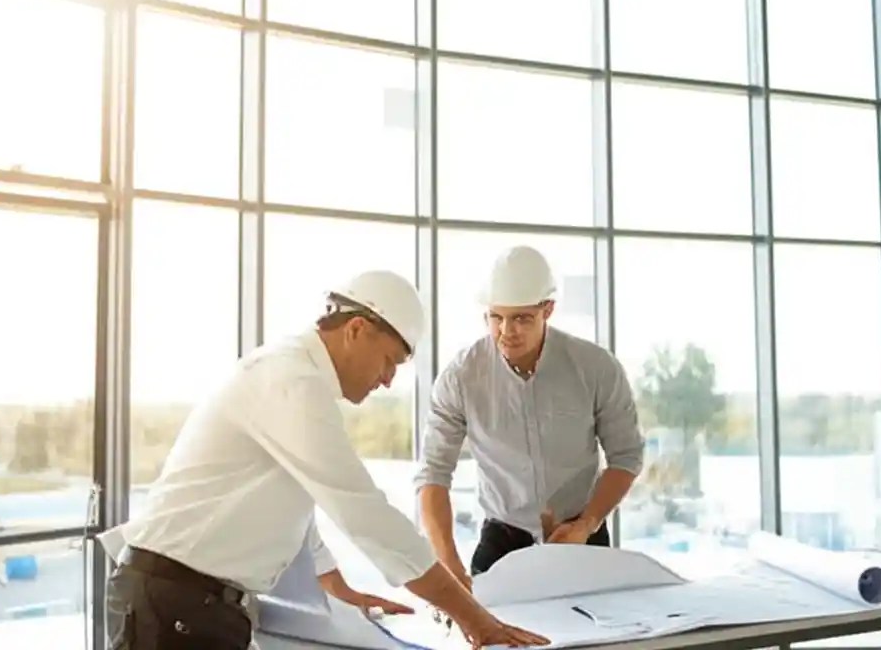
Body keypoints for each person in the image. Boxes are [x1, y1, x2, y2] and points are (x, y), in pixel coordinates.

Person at [103, 269, 549, 650]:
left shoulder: (295, 378)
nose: (389, 380)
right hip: (171, 604)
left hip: (188, 603)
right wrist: (475, 620)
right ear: (356, 329)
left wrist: (337, 589)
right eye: (389, 361)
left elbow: (295, 505)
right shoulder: (290, 382)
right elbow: (364, 513)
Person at [415, 246, 645, 587]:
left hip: (583, 535)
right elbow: (433, 474)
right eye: (496, 317)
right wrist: (449, 565)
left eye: (522, 318)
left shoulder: (596, 368)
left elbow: (626, 456)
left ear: (547, 309)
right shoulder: (461, 376)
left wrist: (586, 524)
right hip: (502, 542)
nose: (507, 331)